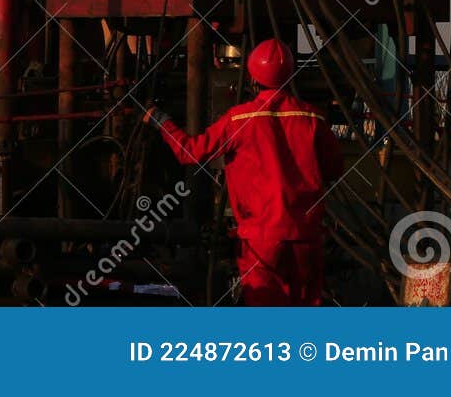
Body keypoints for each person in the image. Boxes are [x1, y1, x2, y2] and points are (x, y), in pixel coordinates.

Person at [144, 40, 344, 305]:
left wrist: (158, 119)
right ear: (291, 75)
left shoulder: (239, 120)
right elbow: (333, 170)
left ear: (251, 77)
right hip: (306, 238)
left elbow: (189, 152)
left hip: (261, 242)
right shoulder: (313, 119)